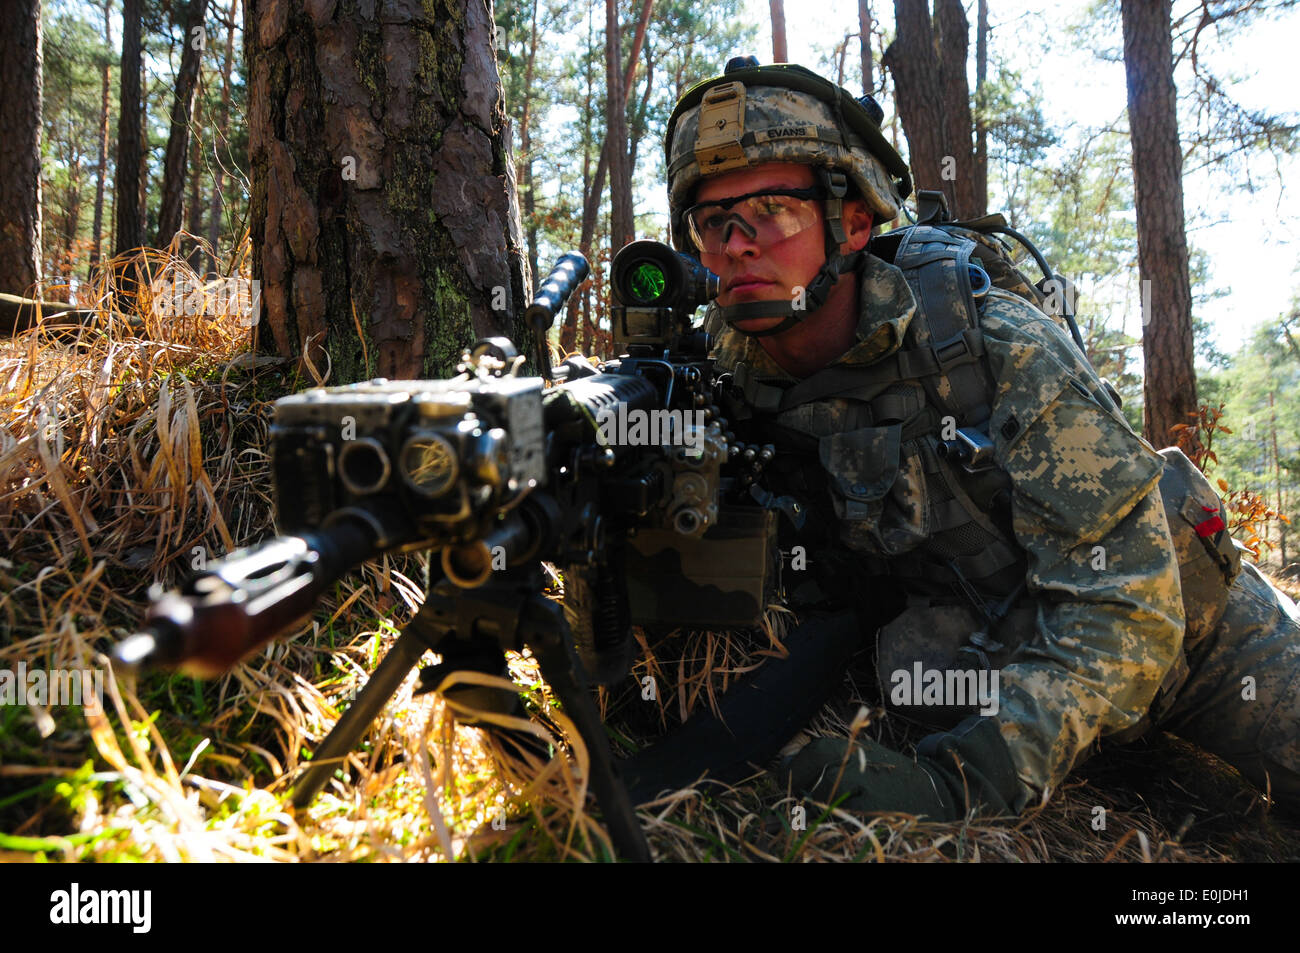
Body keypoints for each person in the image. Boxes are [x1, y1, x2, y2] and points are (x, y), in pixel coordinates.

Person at [658, 57, 1300, 820]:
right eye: (711, 222)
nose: (735, 245)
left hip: (1196, 643)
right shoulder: (720, 376)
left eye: (771, 211)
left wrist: (965, 779)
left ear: (855, 221)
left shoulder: (989, 344)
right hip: (987, 652)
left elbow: (1129, 599)